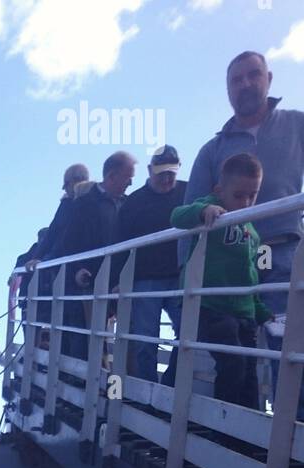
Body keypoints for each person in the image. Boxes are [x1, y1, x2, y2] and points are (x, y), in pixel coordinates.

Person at [186, 50, 304, 410]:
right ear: (227, 89)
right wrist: (188, 280)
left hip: (284, 253)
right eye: (236, 80)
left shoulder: (297, 125)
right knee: (241, 353)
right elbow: (190, 214)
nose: (246, 84)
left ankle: (295, 433)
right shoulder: (213, 149)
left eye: (253, 75)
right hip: (235, 264)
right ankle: (247, 429)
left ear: (269, 79)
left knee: (292, 347)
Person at [171, 151, 272, 410]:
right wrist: (205, 209)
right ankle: (225, 423)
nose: (246, 202)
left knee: (250, 369)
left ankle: (246, 428)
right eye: (239, 195)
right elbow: (177, 216)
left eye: (253, 195)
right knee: (233, 363)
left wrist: (260, 309)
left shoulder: (251, 230)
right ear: (219, 190)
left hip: (244, 311)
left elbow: (250, 271)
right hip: (212, 305)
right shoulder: (212, 210)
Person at [115, 147, 187, 384]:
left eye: (171, 173)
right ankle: (147, 391)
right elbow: (120, 243)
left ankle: (168, 386)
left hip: (180, 277)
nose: (167, 178)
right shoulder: (134, 202)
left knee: (188, 333)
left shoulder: (188, 193)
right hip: (145, 279)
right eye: (161, 173)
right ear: (150, 170)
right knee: (146, 339)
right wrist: (117, 280)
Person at [57, 152, 137, 359]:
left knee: (114, 334)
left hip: (115, 282)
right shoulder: (84, 203)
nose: (130, 182)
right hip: (88, 280)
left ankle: (112, 382)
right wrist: (78, 269)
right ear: (111, 176)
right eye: (127, 177)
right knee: (84, 336)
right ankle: (82, 380)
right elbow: (67, 239)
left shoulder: (127, 204)